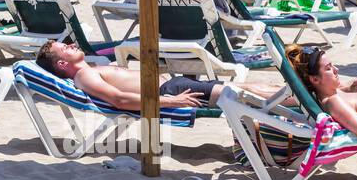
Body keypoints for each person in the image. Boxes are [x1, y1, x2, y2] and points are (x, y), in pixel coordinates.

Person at [35, 40, 286, 109]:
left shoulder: (91, 70)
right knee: (240, 94)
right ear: (61, 64)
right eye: (64, 48)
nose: (70, 44)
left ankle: (293, 95)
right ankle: (296, 99)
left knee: (245, 88)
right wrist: (169, 102)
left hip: (172, 85)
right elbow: (119, 100)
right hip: (169, 92)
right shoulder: (84, 77)